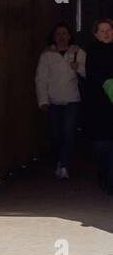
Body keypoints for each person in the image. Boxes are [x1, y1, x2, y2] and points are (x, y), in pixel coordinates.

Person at [36, 24, 85, 180]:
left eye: (65, 33)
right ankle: (59, 161)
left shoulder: (78, 52)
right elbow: (41, 79)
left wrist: (79, 68)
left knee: (69, 133)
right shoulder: (47, 55)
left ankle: (64, 165)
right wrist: (43, 100)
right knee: (57, 134)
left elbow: (89, 72)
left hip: (72, 99)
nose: (62, 36)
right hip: (54, 100)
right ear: (54, 36)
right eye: (58, 33)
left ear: (70, 36)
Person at [84, 19, 113, 192]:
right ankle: (104, 176)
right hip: (99, 104)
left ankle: (110, 181)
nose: (106, 33)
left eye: (109, 29)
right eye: (102, 31)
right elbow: (92, 76)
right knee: (101, 145)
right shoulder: (93, 51)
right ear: (96, 34)